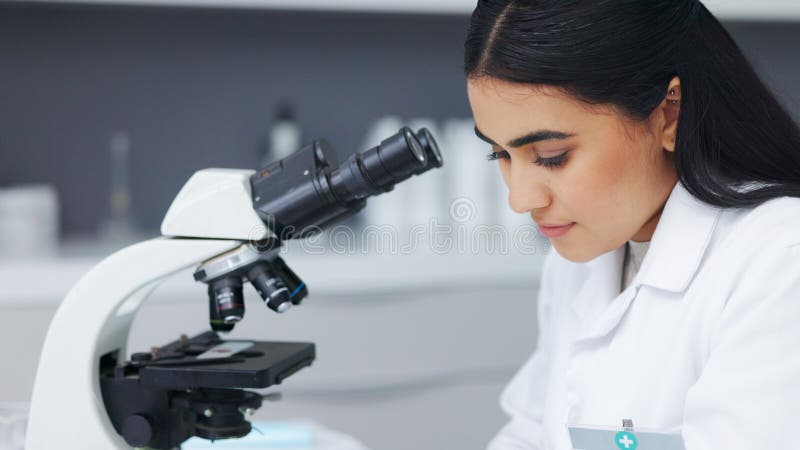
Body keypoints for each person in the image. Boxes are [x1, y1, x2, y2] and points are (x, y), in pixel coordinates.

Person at [463, 1, 800, 449]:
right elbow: (531, 433)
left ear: (668, 113)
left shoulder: (778, 263)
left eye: (551, 157)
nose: (521, 199)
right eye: (501, 155)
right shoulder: (580, 255)